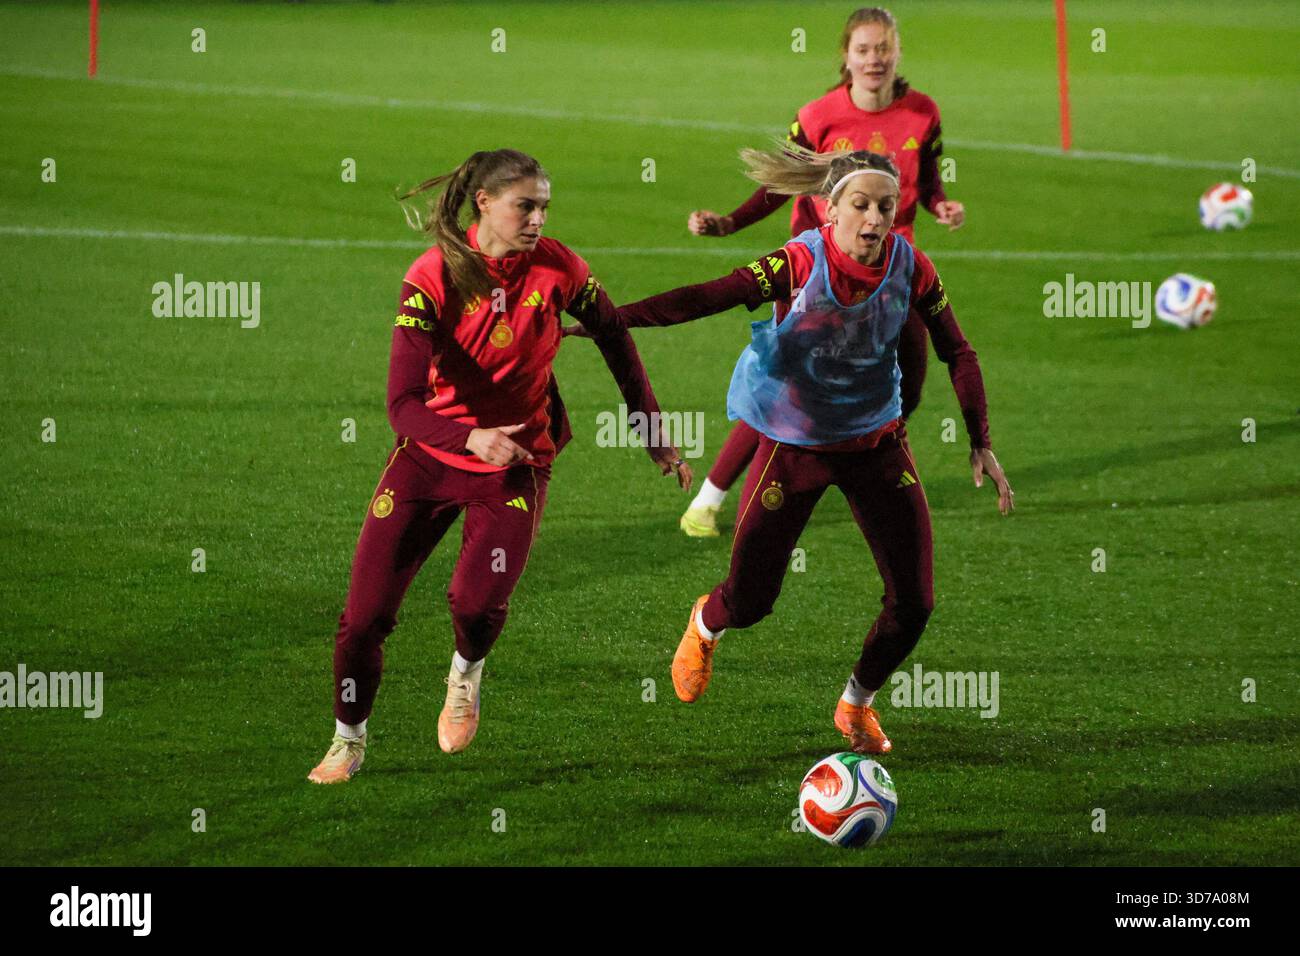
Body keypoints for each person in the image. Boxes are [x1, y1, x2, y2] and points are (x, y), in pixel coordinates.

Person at [610, 142, 1012, 754]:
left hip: (876, 444)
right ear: (830, 210)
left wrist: (980, 440)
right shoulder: (798, 263)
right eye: (861, 206)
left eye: (885, 206)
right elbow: (710, 296)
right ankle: (705, 623)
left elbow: (959, 349)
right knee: (751, 601)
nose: (875, 220)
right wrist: (617, 320)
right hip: (792, 445)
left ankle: (856, 704)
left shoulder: (913, 265)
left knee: (915, 602)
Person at [308, 149, 691, 784]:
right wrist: (468, 437)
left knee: (476, 602)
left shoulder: (559, 268)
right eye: (526, 206)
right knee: (364, 618)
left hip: (518, 460)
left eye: (545, 206)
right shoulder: (433, 276)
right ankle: (348, 739)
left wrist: (652, 433)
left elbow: (617, 334)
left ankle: (465, 676)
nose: (539, 218)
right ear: (484, 203)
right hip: (428, 460)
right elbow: (402, 405)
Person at [680, 5, 967, 538]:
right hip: (818, 277)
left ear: (897, 52)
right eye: (864, 49)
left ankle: (868, 468)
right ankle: (710, 498)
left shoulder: (924, 112)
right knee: (792, 391)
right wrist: (729, 223)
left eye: (883, 48)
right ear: (846, 57)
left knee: (909, 379)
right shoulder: (818, 115)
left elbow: (924, 180)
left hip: (889, 272)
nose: (875, 59)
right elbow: (780, 183)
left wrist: (940, 205)